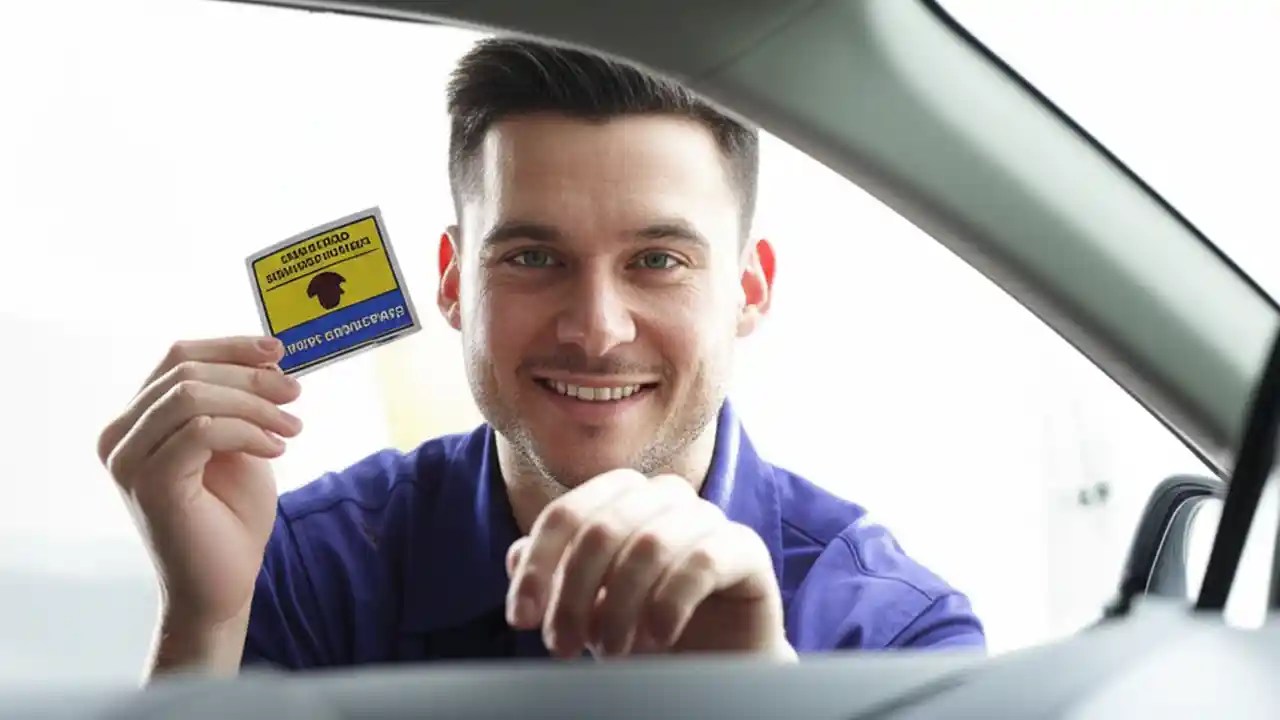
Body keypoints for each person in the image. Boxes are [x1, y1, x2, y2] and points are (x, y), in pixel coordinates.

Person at [97, 37, 985, 677]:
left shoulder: (898, 635)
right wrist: (203, 629)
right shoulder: (307, 568)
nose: (596, 330)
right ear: (452, 284)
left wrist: (754, 702)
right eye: (531, 258)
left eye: (658, 261)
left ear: (749, 290)